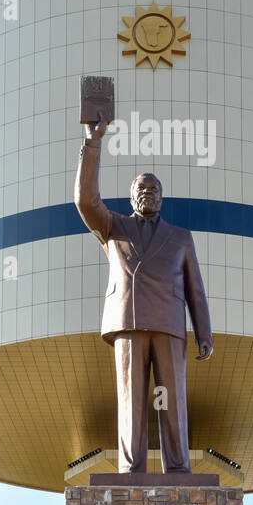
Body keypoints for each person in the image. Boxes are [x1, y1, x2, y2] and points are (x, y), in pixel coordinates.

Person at [74, 120, 213, 472]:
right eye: (140, 187)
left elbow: (195, 289)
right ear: (131, 196)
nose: (146, 192)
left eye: (152, 188)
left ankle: (178, 468)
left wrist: (204, 333)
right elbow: (85, 200)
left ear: (162, 198)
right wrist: (92, 143)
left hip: (168, 326)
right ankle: (130, 470)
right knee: (132, 401)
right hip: (129, 322)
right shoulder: (113, 227)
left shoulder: (181, 237)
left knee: (170, 402)